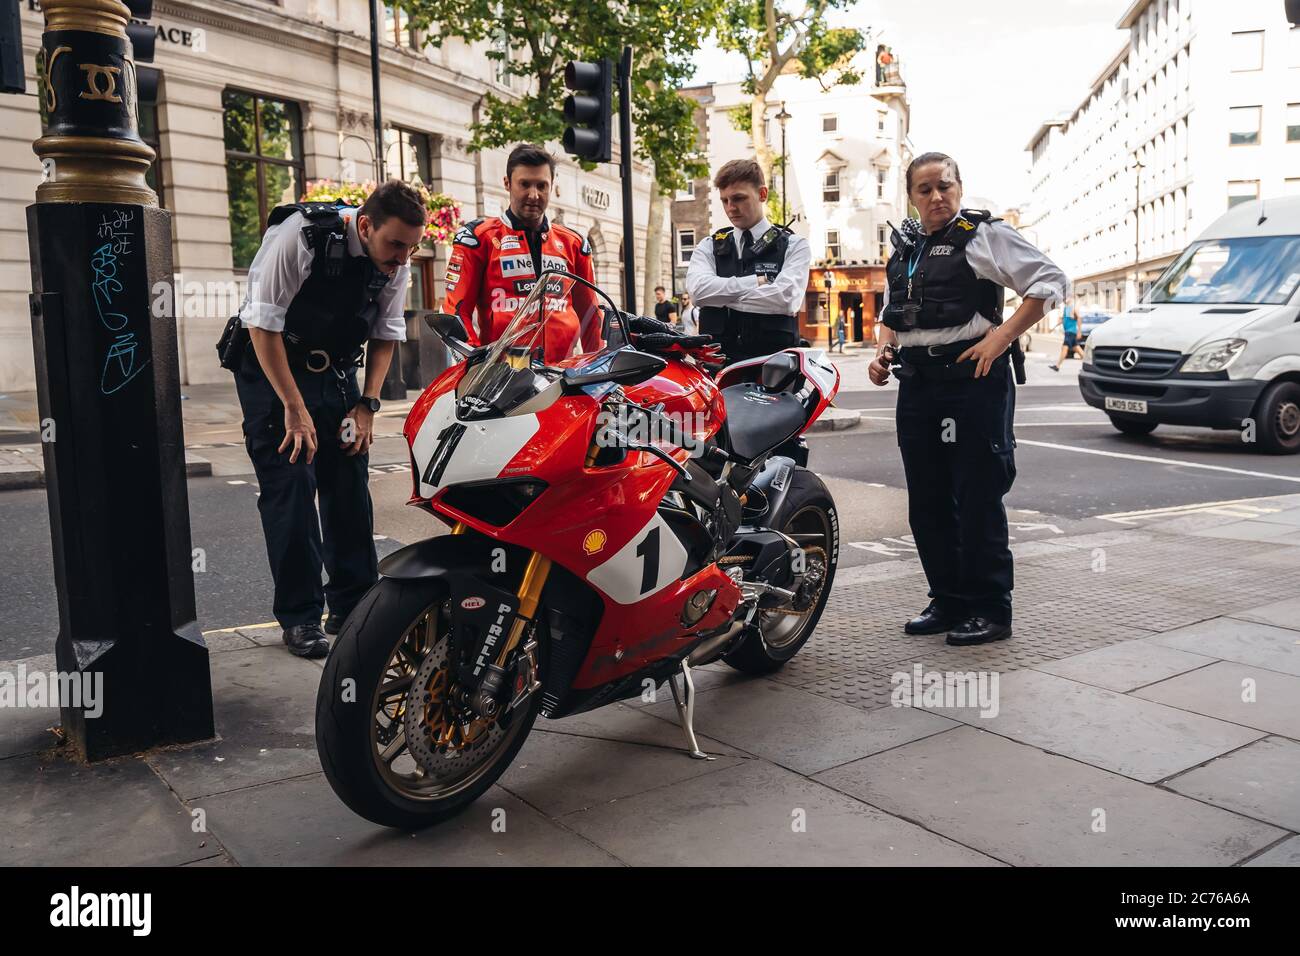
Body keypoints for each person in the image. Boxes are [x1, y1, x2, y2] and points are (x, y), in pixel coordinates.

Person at [867, 152, 1068, 646]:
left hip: (972, 380)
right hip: (918, 383)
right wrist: (882, 351)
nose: (937, 197)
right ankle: (948, 599)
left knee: (977, 496)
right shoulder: (907, 247)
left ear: (959, 187)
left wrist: (1001, 338)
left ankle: (991, 608)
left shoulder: (983, 235)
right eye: (925, 190)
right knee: (928, 500)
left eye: (945, 187)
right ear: (911, 196)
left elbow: (1050, 281)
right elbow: (896, 313)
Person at [229, 180, 426, 658]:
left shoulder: (394, 260)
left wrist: (367, 405)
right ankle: (299, 617)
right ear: (365, 225)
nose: (403, 259)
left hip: (335, 373)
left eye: (411, 248)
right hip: (271, 367)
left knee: (349, 481)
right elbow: (263, 324)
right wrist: (294, 410)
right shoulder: (300, 235)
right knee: (292, 485)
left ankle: (352, 604)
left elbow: (385, 332)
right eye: (396, 244)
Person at [443, 143, 600, 361]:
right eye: (524, 184)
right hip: (498, 378)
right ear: (507, 184)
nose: (534, 195)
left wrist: (599, 370)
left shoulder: (575, 244)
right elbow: (456, 313)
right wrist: (472, 364)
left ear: (552, 186)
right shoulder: (478, 239)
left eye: (542, 186)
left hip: (563, 377)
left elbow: (591, 318)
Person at [686, 159, 811, 363]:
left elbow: (785, 299)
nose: (731, 208)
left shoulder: (795, 245)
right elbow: (698, 292)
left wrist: (718, 297)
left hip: (775, 373)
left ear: (762, 194)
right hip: (717, 373)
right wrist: (756, 282)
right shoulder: (708, 246)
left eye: (738, 198)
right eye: (725, 200)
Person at [1049, 297, 1081, 371]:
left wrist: (1079, 331)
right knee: (1078, 349)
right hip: (1069, 332)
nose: (1064, 300)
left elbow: (1079, 318)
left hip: (1071, 332)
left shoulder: (1072, 308)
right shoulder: (1066, 309)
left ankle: (1057, 366)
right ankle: (1089, 363)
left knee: (1064, 348)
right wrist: (1053, 328)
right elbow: (1063, 321)